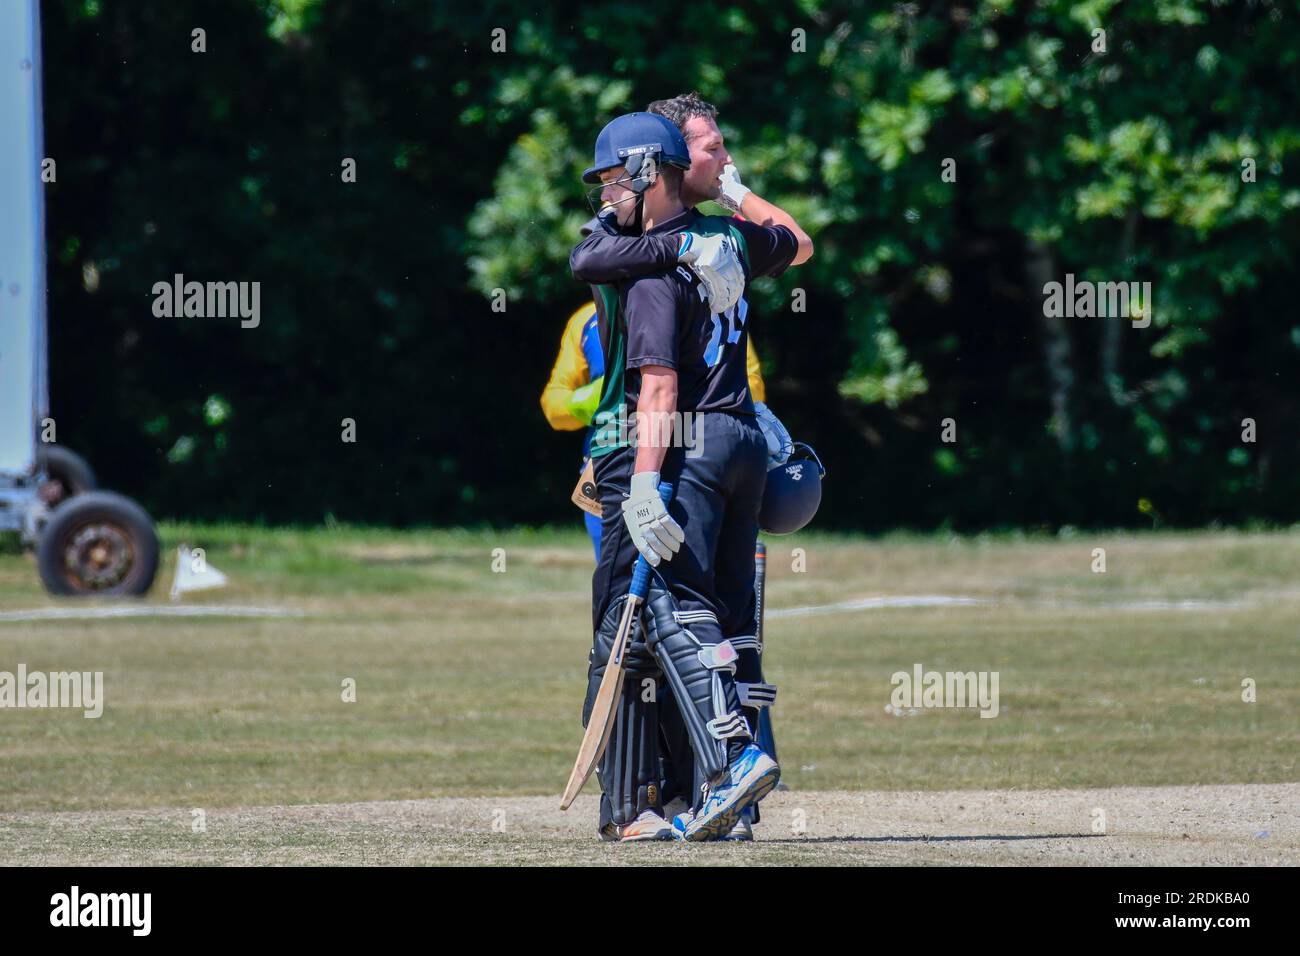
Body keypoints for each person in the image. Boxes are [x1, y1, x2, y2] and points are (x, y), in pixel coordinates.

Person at [571, 94, 815, 841]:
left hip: (667, 442)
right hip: (730, 438)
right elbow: (588, 252)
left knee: (650, 614)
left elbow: (659, 386)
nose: (606, 192)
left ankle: (701, 779)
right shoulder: (703, 245)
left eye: (615, 177)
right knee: (710, 621)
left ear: (649, 170)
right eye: (711, 149)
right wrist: (692, 233)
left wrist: (645, 482)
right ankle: (687, 799)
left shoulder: (658, 263)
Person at [540, 300, 770, 559]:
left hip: (692, 460)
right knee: (617, 579)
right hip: (610, 467)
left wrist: (673, 390)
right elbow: (553, 405)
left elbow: (752, 387)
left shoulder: (716, 305)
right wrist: (597, 398)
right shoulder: (586, 319)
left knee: (699, 571)